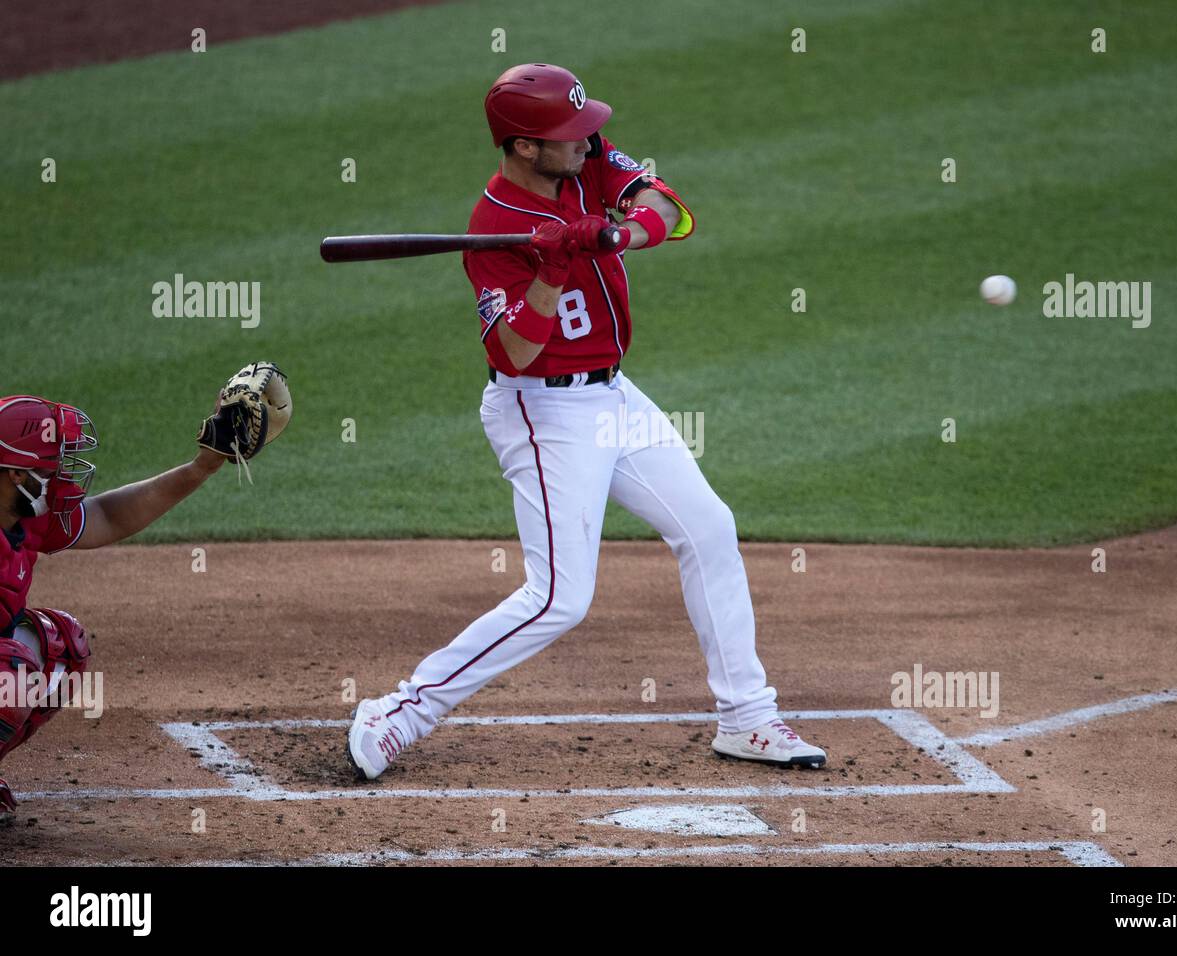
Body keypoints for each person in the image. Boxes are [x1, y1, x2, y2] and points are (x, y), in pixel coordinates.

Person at [347, 64, 825, 779]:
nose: (587, 137)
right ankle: (402, 711)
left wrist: (615, 237)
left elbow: (670, 208)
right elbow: (516, 350)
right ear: (522, 147)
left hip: (615, 398)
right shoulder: (495, 228)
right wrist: (548, 272)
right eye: (566, 132)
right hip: (542, 413)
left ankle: (747, 719)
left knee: (708, 528)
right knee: (559, 600)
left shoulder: (588, 158)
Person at [0, 367, 289, 819]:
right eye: (50, 465)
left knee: (60, 646)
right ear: (16, 473)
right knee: (9, 674)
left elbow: (111, 517)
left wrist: (203, 466)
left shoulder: (23, 515)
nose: (60, 473)